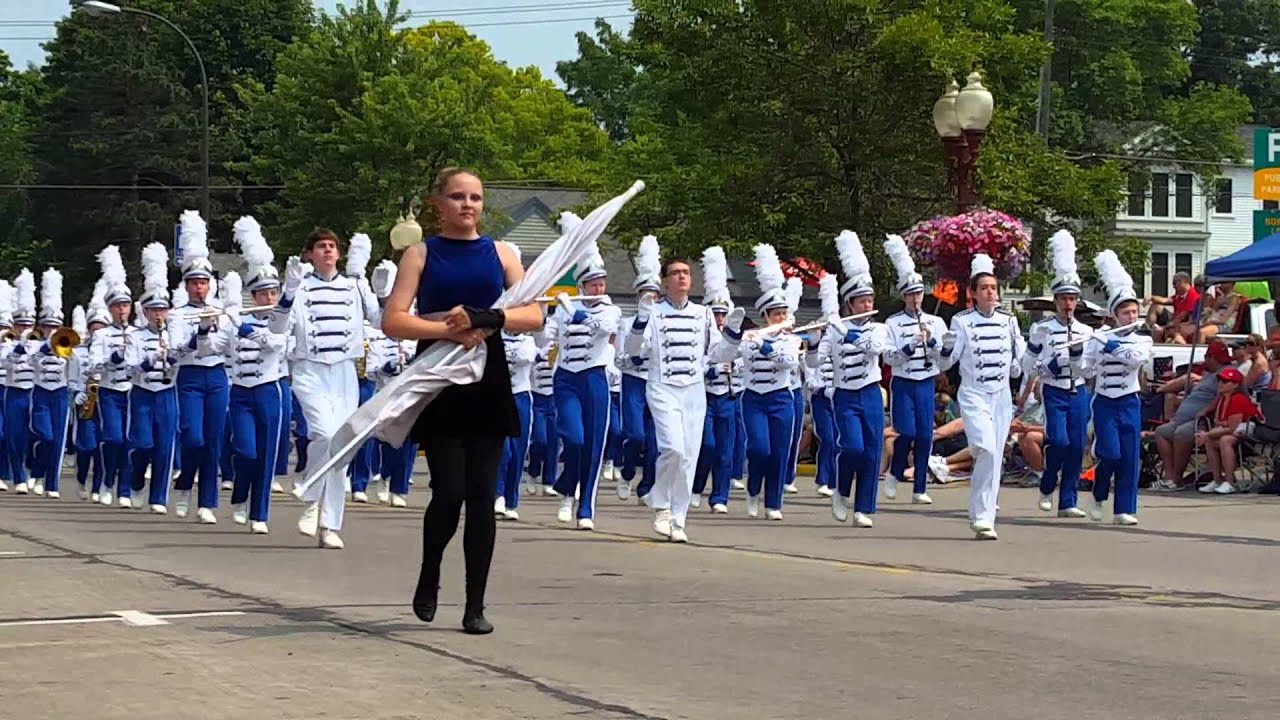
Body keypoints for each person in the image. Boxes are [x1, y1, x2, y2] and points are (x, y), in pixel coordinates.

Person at [381, 167, 544, 635]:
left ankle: (475, 604)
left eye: (474, 197)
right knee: (448, 492)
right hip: (438, 373)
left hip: (487, 376)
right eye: (457, 197)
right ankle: (430, 571)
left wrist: (490, 317)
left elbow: (533, 313)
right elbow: (393, 320)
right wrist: (448, 330)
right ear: (439, 205)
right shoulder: (421, 253)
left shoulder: (501, 253)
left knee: (482, 497)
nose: (467, 205)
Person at [272, 225, 383, 549]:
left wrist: (381, 291)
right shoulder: (300, 287)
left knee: (342, 446)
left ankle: (326, 522)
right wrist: (289, 292)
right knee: (322, 433)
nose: (328, 251)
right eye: (320, 246)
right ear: (310, 254)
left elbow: (379, 322)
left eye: (332, 246)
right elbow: (277, 327)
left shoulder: (353, 287)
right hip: (309, 369)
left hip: (345, 371)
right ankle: (311, 498)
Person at [624, 241, 721, 542]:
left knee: (690, 455)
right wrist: (640, 321)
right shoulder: (652, 312)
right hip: (662, 386)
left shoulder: (704, 314)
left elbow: (718, 353)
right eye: (676, 273)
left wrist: (733, 337)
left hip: (694, 389)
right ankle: (661, 503)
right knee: (673, 448)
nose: (682, 277)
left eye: (686, 273)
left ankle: (678, 519)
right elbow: (632, 350)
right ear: (664, 281)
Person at [939, 253, 1026, 540]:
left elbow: (1020, 363)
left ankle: (985, 518)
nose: (991, 292)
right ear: (973, 294)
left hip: (1000, 395)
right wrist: (944, 348)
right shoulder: (961, 321)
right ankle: (979, 512)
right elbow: (946, 364)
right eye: (984, 287)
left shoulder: (1008, 321)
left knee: (995, 454)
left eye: (993, 287)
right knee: (986, 449)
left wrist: (1030, 360)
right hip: (974, 393)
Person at [725, 245, 801, 521]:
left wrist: (767, 348)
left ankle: (773, 502)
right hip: (754, 398)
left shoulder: (792, 340)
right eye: (775, 314)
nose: (780, 318)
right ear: (765, 317)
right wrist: (739, 336)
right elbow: (731, 356)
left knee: (780, 451)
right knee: (759, 448)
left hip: (781, 397)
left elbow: (789, 363)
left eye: (783, 313)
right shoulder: (751, 337)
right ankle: (753, 487)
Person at [547, 247, 620, 530]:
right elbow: (544, 339)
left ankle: (585, 505)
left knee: (593, 446)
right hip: (566, 379)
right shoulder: (566, 308)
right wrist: (542, 311)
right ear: (582, 285)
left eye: (601, 283)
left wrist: (579, 317)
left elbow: (604, 329)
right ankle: (567, 487)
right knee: (574, 439)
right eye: (593, 284)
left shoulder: (611, 309)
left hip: (595, 378)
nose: (598, 288)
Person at [223, 217, 288, 533]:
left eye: (272, 293)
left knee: (266, 454)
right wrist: (209, 328)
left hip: (267, 390)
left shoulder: (281, 322)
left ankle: (259, 514)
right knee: (245, 451)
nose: (268, 298)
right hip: (240, 392)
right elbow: (213, 348)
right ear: (253, 295)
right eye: (262, 293)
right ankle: (239, 493)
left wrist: (245, 327)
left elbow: (276, 345)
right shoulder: (236, 321)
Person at [167, 211, 233, 524]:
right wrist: (202, 331)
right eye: (194, 283)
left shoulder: (222, 311)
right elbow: (179, 346)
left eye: (203, 282)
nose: (199, 288)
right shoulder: (177, 315)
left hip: (217, 375)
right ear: (186, 286)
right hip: (191, 376)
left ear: (211, 285)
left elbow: (229, 345)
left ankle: (207, 502)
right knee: (193, 438)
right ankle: (183, 483)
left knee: (214, 440)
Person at [1024, 230, 1092, 518]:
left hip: (1077, 389)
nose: (1068, 303)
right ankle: (1047, 482)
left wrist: (1077, 357)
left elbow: (1090, 368)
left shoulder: (1086, 331)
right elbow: (1027, 365)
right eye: (1063, 298)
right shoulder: (1042, 329)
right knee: (1060, 441)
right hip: (1053, 390)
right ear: (1055, 299)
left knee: (1077, 445)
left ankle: (1068, 500)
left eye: (1073, 298)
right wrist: (1046, 367)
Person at [822, 231, 887, 527]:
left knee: (873, 450)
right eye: (860, 301)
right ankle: (840, 488)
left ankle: (864, 508)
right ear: (849, 304)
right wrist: (811, 340)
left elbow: (874, 348)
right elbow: (816, 360)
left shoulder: (879, 328)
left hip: (871, 391)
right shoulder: (832, 329)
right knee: (853, 448)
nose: (866, 304)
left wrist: (844, 332)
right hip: (845, 395)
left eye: (869, 300)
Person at [1083, 250, 1153, 524]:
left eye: (1134, 311)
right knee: (1110, 453)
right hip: (1104, 401)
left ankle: (1124, 509)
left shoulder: (1142, 339)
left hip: (1129, 400)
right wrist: (1078, 353)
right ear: (1114, 315)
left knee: (1129, 456)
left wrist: (1108, 344)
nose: (1131, 316)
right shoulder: (1097, 337)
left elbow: (1135, 358)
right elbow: (1086, 370)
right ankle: (1099, 495)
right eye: (1126, 312)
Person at [881, 234, 947, 505]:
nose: (915, 299)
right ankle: (895, 471)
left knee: (924, 435)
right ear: (903, 296)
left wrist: (931, 342)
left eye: (918, 293)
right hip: (903, 382)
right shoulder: (892, 323)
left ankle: (920, 486)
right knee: (905, 432)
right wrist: (910, 345)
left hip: (925, 381)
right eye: (910, 295)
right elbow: (889, 357)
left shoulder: (936, 321)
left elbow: (945, 358)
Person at [124, 244, 180, 514]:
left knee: (164, 447)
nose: (159, 314)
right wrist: (151, 360)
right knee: (144, 444)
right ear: (145, 312)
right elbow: (130, 368)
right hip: (143, 393)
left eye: (163, 309)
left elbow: (185, 357)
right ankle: (135, 478)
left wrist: (171, 358)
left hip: (167, 392)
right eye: (153, 310)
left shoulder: (174, 333)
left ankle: (158, 498)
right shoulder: (135, 336)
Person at [1151, 340, 1233, 490]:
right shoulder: (1208, 374)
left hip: (1202, 421)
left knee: (1181, 434)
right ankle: (1168, 476)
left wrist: (1207, 409)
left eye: (1207, 356)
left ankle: (1177, 479)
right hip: (1183, 418)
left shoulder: (1225, 374)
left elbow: (1223, 395)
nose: (1205, 360)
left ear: (1212, 358)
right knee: (1161, 432)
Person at [692, 245, 738, 513]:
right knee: (706, 446)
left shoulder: (735, 335)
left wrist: (735, 368)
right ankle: (697, 486)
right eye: (715, 313)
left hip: (729, 396)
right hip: (705, 395)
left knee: (725, 450)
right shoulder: (698, 335)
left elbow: (746, 362)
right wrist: (708, 369)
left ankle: (720, 497)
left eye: (723, 313)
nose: (719, 318)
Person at [88, 247, 134, 507]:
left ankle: (125, 490)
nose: (121, 310)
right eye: (116, 306)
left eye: (125, 305)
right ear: (109, 308)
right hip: (109, 391)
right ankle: (106, 480)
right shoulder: (102, 336)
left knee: (130, 441)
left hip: (133, 391)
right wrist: (111, 359)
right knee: (113, 438)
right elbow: (93, 364)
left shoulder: (140, 332)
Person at [617, 235, 661, 502]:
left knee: (656, 444)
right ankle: (627, 471)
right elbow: (619, 357)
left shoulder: (665, 323)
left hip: (656, 382)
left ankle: (647, 487)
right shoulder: (626, 322)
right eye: (646, 295)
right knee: (634, 435)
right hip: (633, 381)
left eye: (654, 295)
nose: (651, 299)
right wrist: (631, 358)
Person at [28, 268, 71, 498]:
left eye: (55, 327)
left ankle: (52, 484)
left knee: (58, 441)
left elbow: (77, 367)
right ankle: (37, 469)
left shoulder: (69, 344)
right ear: (42, 328)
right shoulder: (34, 344)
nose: (52, 331)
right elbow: (29, 361)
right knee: (45, 436)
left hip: (61, 393)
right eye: (48, 327)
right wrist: (46, 347)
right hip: (42, 393)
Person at [1197, 366, 1259, 495]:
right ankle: (1217, 480)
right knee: (1210, 440)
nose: (1220, 384)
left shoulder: (1238, 399)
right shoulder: (1221, 399)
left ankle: (1230, 482)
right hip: (1233, 430)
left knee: (1225, 440)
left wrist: (1208, 433)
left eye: (1225, 382)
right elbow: (1219, 422)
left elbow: (1232, 428)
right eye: (1220, 381)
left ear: (1235, 385)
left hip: (1249, 433)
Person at [804, 274, 839, 498]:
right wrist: (824, 388)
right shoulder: (813, 346)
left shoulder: (841, 342)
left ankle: (834, 480)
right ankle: (823, 479)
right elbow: (810, 374)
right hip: (820, 398)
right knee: (827, 437)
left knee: (839, 439)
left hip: (840, 396)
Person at [4, 269, 38, 494]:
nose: (24, 329)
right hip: (14, 391)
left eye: (28, 325)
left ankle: (34, 471)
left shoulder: (40, 343)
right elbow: (5, 363)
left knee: (33, 435)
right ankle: (18, 477)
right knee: (13, 436)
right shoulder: (6, 343)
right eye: (20, 326)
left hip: (34, 392)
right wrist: (19, 347)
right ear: (14, 326)